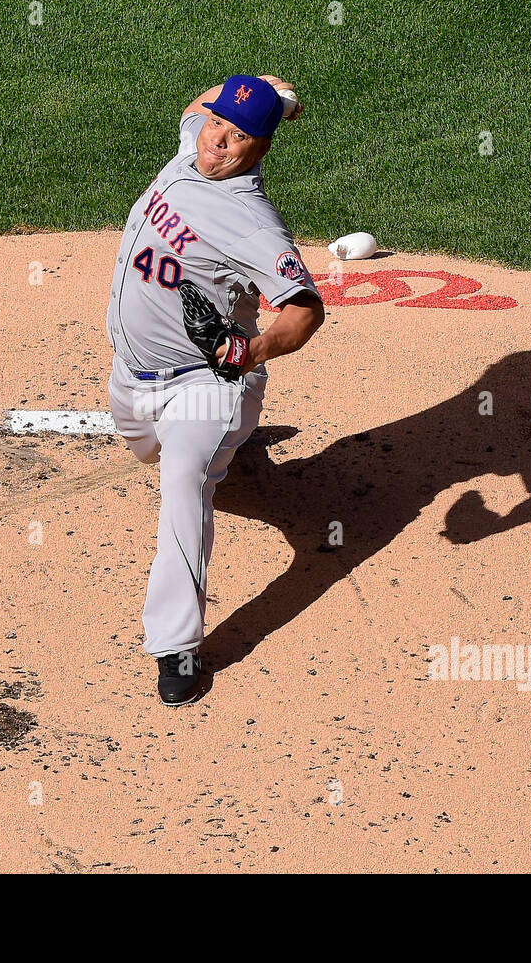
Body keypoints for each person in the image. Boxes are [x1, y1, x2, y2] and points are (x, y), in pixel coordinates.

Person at [105, 74, 325, 705]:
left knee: (183, 477)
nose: (217, 141)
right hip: (134, 381)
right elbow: (197, 106)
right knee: (150, 451)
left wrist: (248, 351)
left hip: (207, 382)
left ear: (261, 149)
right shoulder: (191, 144)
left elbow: (305, 309)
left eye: (239, 136)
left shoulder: (250, 221)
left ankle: (175, 646)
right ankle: (225, 452)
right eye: (216, 124)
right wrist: (270, 92)